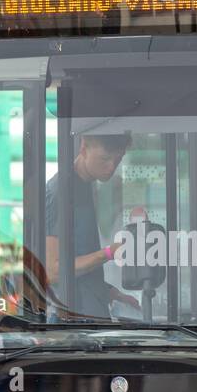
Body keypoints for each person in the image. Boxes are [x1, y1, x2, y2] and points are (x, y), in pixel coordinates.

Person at [44, 133, 139, 318]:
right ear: (84, 148)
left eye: (118, 159)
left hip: (91, 314)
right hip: (72, 322)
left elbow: (80, 258)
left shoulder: (88, 186)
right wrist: (110, 252)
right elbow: (53, 271)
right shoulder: (59, 192)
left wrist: (112, 293)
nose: (111, 167)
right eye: (104, 158)